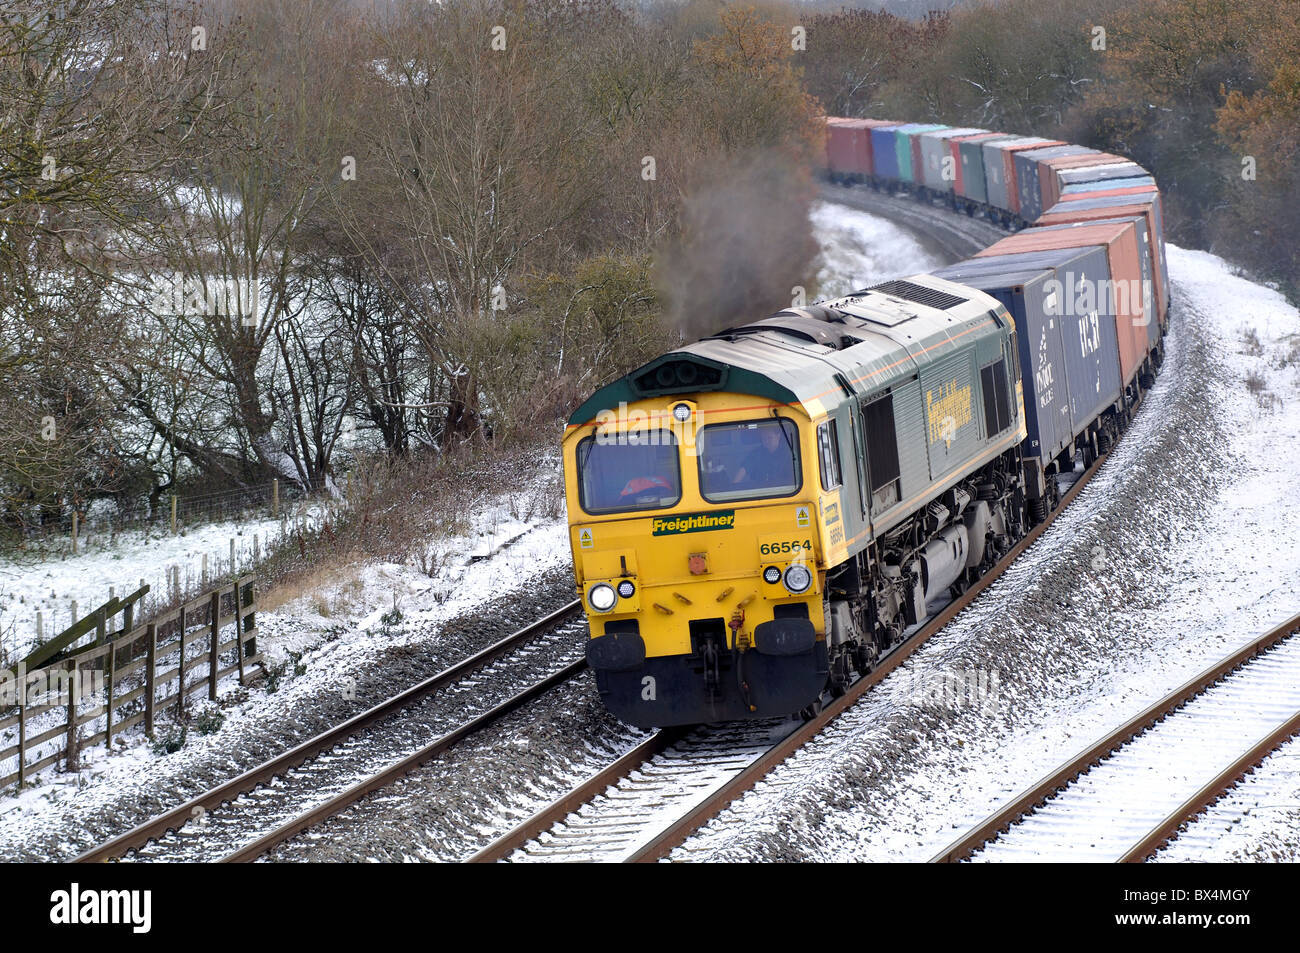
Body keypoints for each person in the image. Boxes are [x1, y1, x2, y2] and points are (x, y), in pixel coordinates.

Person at [732, 423, 795, 491]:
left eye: (769, 438)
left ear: (778, 436)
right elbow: (744, 469)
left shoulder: (789, 453)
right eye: (764, 438)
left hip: (784, 491)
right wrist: (734, 487)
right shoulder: (756, 453)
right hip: (761, 491)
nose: (766, 441)